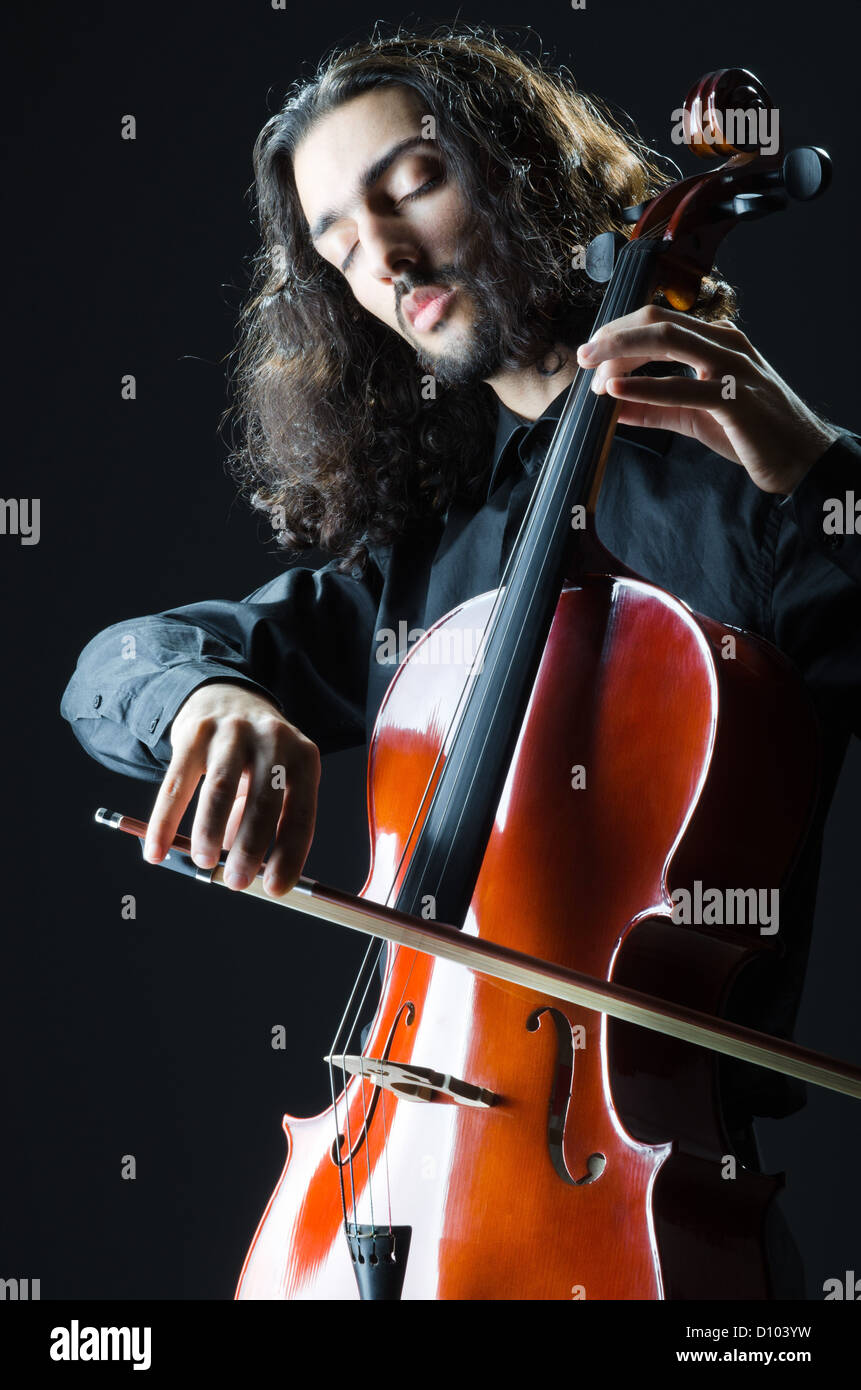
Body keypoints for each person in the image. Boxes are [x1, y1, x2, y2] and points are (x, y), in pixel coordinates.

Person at [61, 29, 860, 1296]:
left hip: (645, 1203)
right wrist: (207, 698)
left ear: (525, 172)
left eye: (413, 182)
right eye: (336, 241)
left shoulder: (759, 502)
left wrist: (818, 474)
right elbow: (115, 666)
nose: (382, 258)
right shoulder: (423, 561)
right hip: (387, 1165)